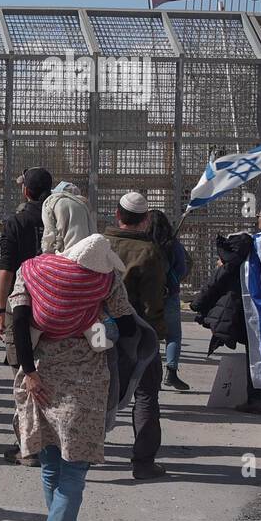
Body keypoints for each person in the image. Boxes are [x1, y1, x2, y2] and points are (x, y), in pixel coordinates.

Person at [10, 234, 137, 521]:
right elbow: (126, 324)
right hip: (86, 387)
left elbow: (20, 323)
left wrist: (30, 373)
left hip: (41, 381)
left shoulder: (32, 270)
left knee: (52, 464)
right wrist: (98, 326)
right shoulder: (105, 279)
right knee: (75, 471)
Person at [193, 200, 261, 414]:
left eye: (259, 215)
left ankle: (255, 399)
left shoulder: (254, 242)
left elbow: (234, 256)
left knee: (256, 350)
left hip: (256, 306)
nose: (257, 218)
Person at [103, 192, 167, 480]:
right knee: (146, 394)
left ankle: (86, 452)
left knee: (97, 392)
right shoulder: (150, 252)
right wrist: (158, 332)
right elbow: (154, 302)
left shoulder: (100, 243)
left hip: (99, 331)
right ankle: (143, 462)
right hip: (138, 332)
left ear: (118, 215)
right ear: (145, 220)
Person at [0, 165, 53, 466]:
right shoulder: (59, 218)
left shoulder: (16, 222)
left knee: (23, 376)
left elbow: (6, 268)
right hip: (56, 304)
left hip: (23, 304)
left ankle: (28, 445)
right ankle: (51, 441)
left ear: (26, 191)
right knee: (51, 374)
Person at [149, 209, 190, 392]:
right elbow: (182, 269)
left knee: (150, 335)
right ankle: (171, 372)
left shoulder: (144, 244)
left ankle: (151, 373)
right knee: (173, 335)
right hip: (170, 295)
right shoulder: (173, 245)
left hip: (148, 296)